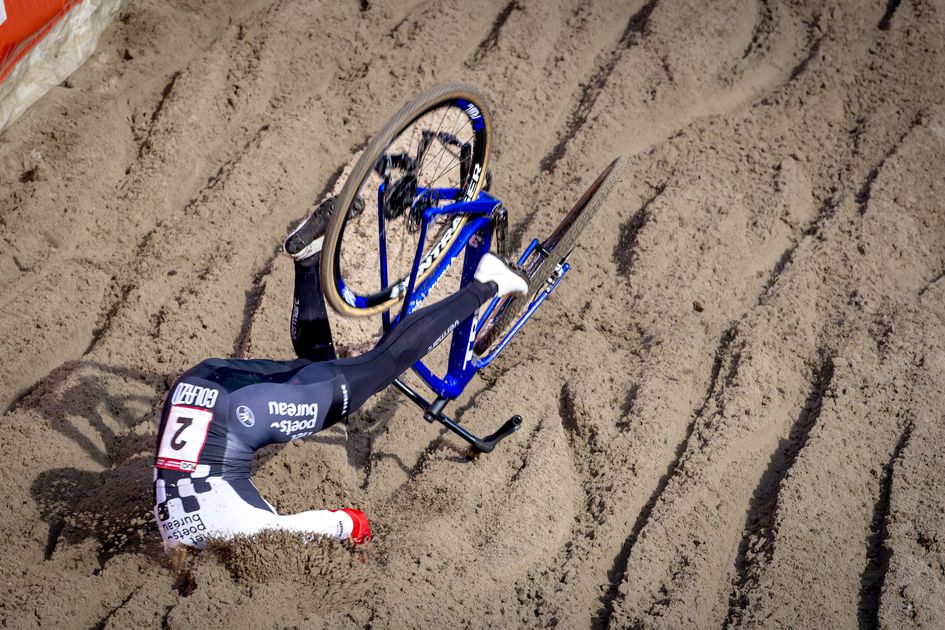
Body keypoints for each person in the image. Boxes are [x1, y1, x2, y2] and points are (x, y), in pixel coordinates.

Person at [152, 194, 527, 551]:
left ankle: (489, 282)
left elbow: (348, 521)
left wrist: (357, 536)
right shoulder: (172, 534)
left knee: (382, 365)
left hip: (240, 416)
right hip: (193, 389)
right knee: (312, 371)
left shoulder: (255, 536)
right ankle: (308, 258)